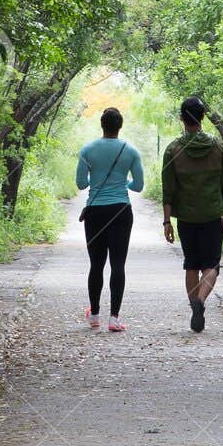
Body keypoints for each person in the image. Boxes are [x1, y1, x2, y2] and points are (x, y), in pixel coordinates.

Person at [162, 96, 223, 332]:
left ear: (182, 118)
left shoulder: (173, 149)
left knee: (191, 264)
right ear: (202, 118)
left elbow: (168, 190)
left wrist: (166, 221)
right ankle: (200, 301)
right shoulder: (218, 147)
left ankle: (195, 304)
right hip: (212, 216)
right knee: (211, 265)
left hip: (187, 218)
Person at [76, 106, 144, 332]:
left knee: (96, 264)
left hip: (95, 211)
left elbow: (81, 184)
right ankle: (114, 319)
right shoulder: (131, 151)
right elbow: (139, 185)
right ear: (120, 126)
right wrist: (122, 183)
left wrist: (96, 178)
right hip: (121, 211)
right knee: (118, 264)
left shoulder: (88, 150)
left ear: (102, 125)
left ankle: (94, 315)